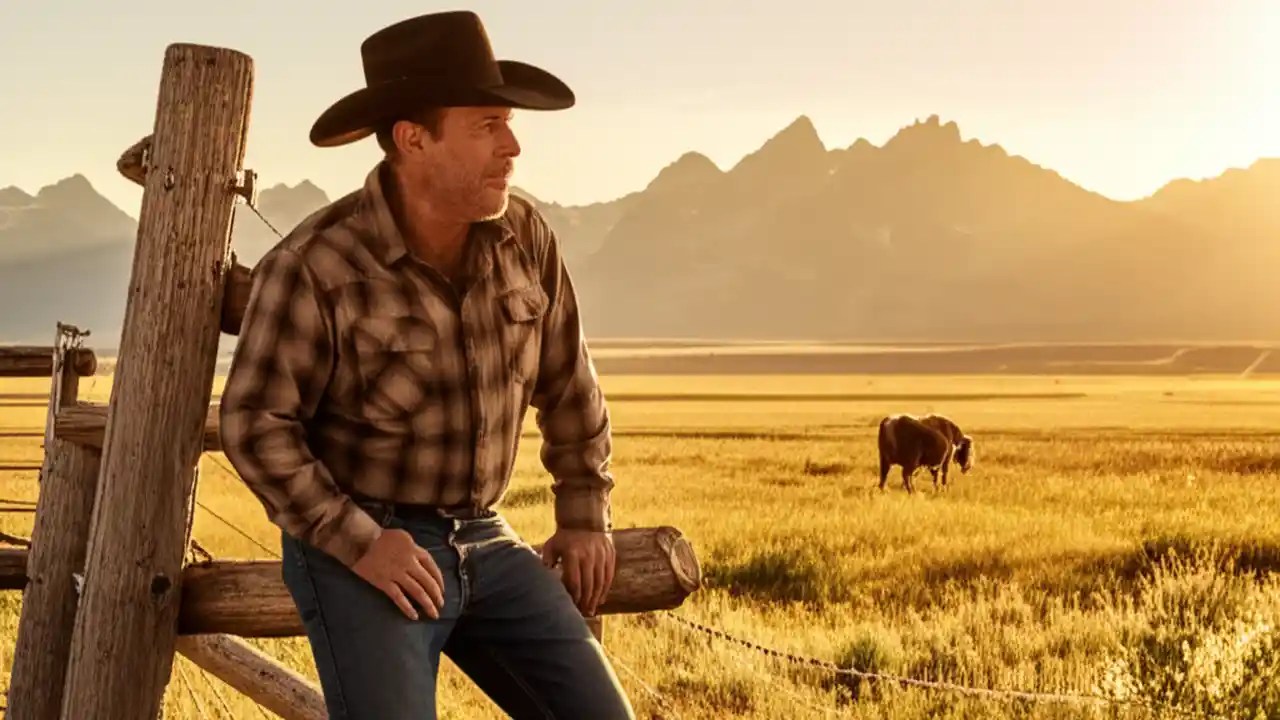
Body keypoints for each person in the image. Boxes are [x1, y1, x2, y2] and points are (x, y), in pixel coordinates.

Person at [218, 11, 634, 719]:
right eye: (486, 126)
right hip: (365, 549)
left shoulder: (524, 237)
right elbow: (255, 424)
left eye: (507, 123)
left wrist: (583, 511)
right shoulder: (319, 265)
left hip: (486, 536)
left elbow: (570, 382)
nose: (513, 146)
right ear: (413, 139)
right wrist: (364, 544)